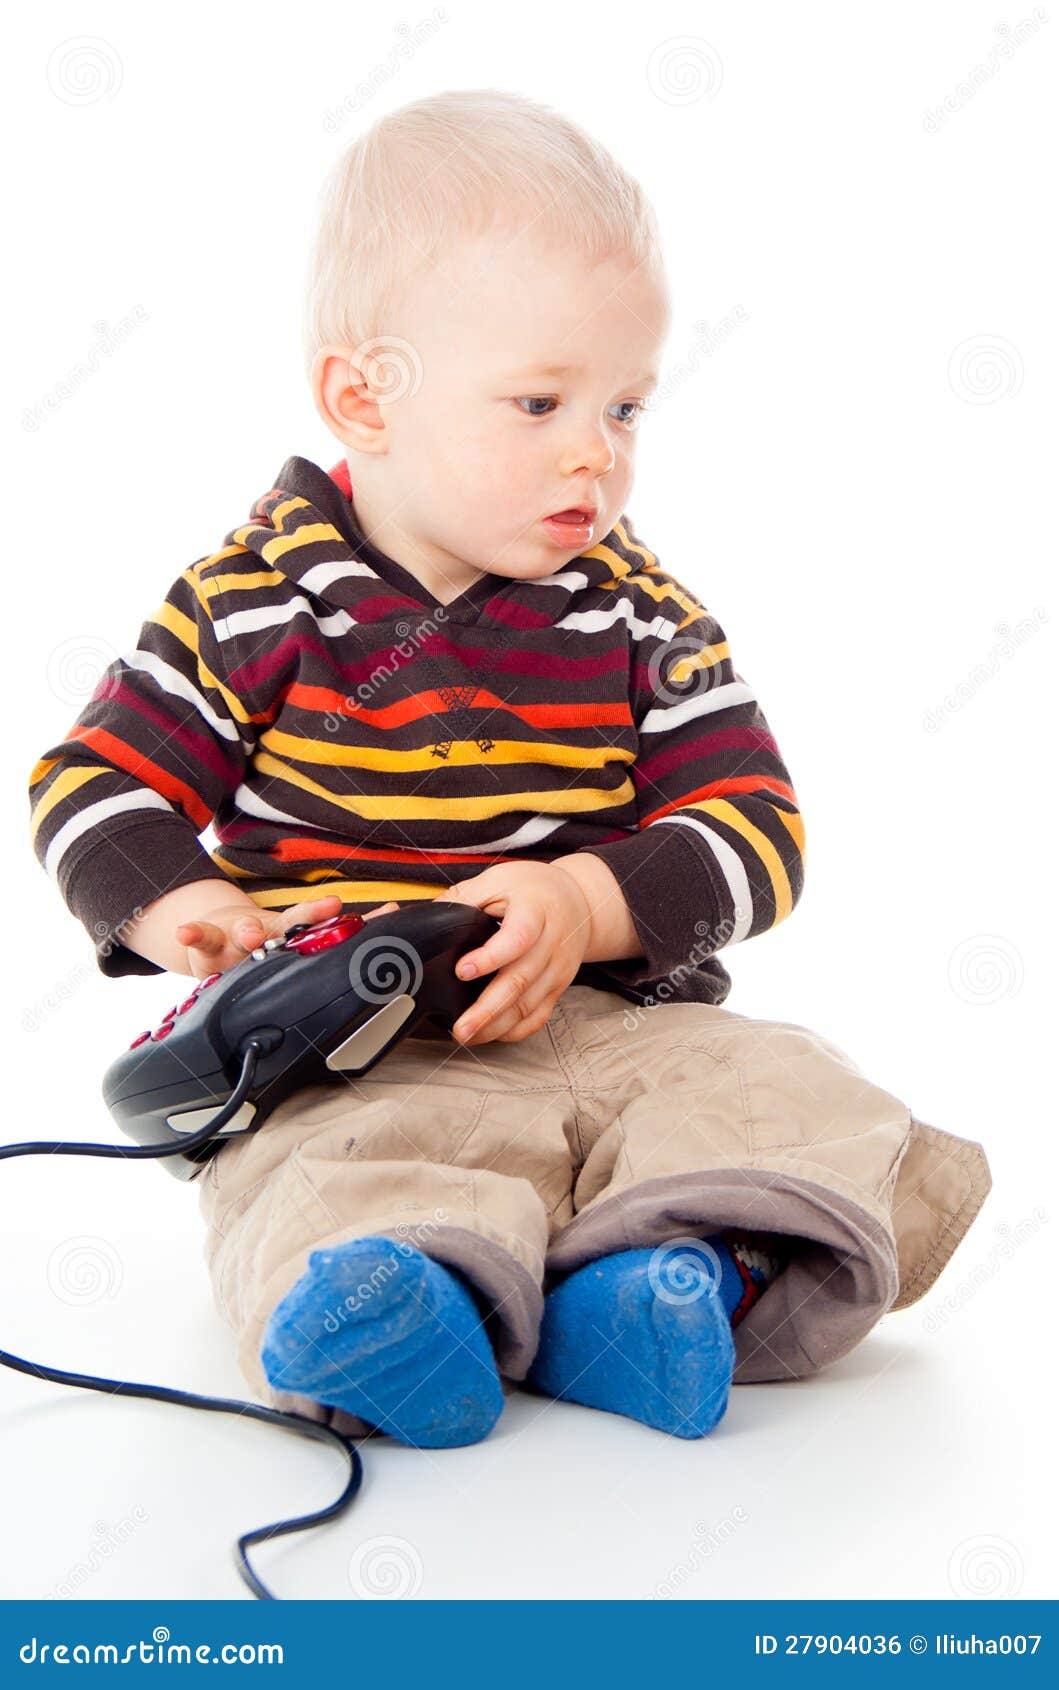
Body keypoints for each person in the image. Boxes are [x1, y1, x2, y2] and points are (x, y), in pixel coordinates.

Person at [28, 89, 991, 1450]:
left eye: (626, 403)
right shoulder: (257, 603)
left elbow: (758, 824)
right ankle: (409, 1311)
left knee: (800, 1099)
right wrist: (176, 907)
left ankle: (662, 1290)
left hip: (618, 1031)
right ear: (363, 397)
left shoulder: (639, 609)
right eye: (540, 400)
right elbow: (94, 779)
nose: (596, 450)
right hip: (366, 1054)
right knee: (331, 1172)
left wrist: (590, 905)